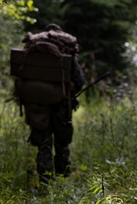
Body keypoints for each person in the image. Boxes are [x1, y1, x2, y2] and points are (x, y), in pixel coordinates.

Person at [11, 24, 86, 182]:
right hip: (61, 103)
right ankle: (62, 176)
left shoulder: (33, 48)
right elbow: (79, 81)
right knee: (62, 141)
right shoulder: (66, 49)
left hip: (36, 104)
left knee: (43, 142)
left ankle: (45, 180)